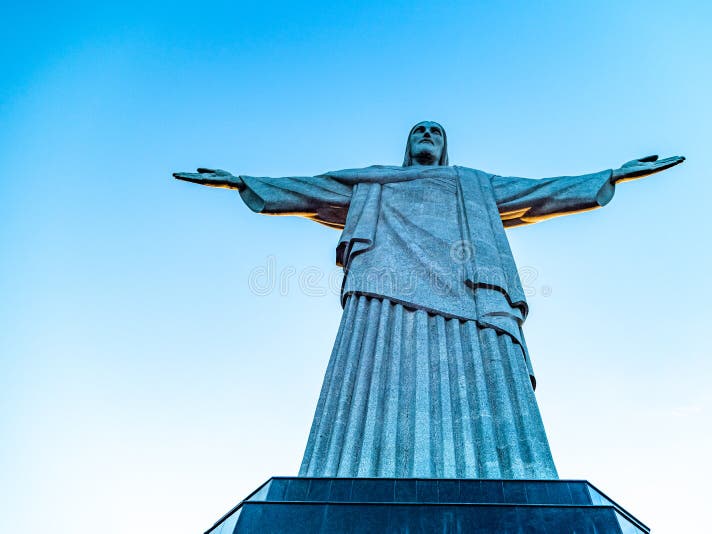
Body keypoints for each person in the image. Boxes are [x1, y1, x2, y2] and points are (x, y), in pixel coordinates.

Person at [174, 121, 683, 479]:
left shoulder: (474, 185)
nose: (427, 136)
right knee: (374, 372)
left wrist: (611, 176)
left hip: (472, 292)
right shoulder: (373, 180)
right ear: (407, 144)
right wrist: (244, 182)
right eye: (419, 129)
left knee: (485, 375)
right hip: (383, 288)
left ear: (444, 146)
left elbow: (540, 191)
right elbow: (313, 188)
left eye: (436, 131)